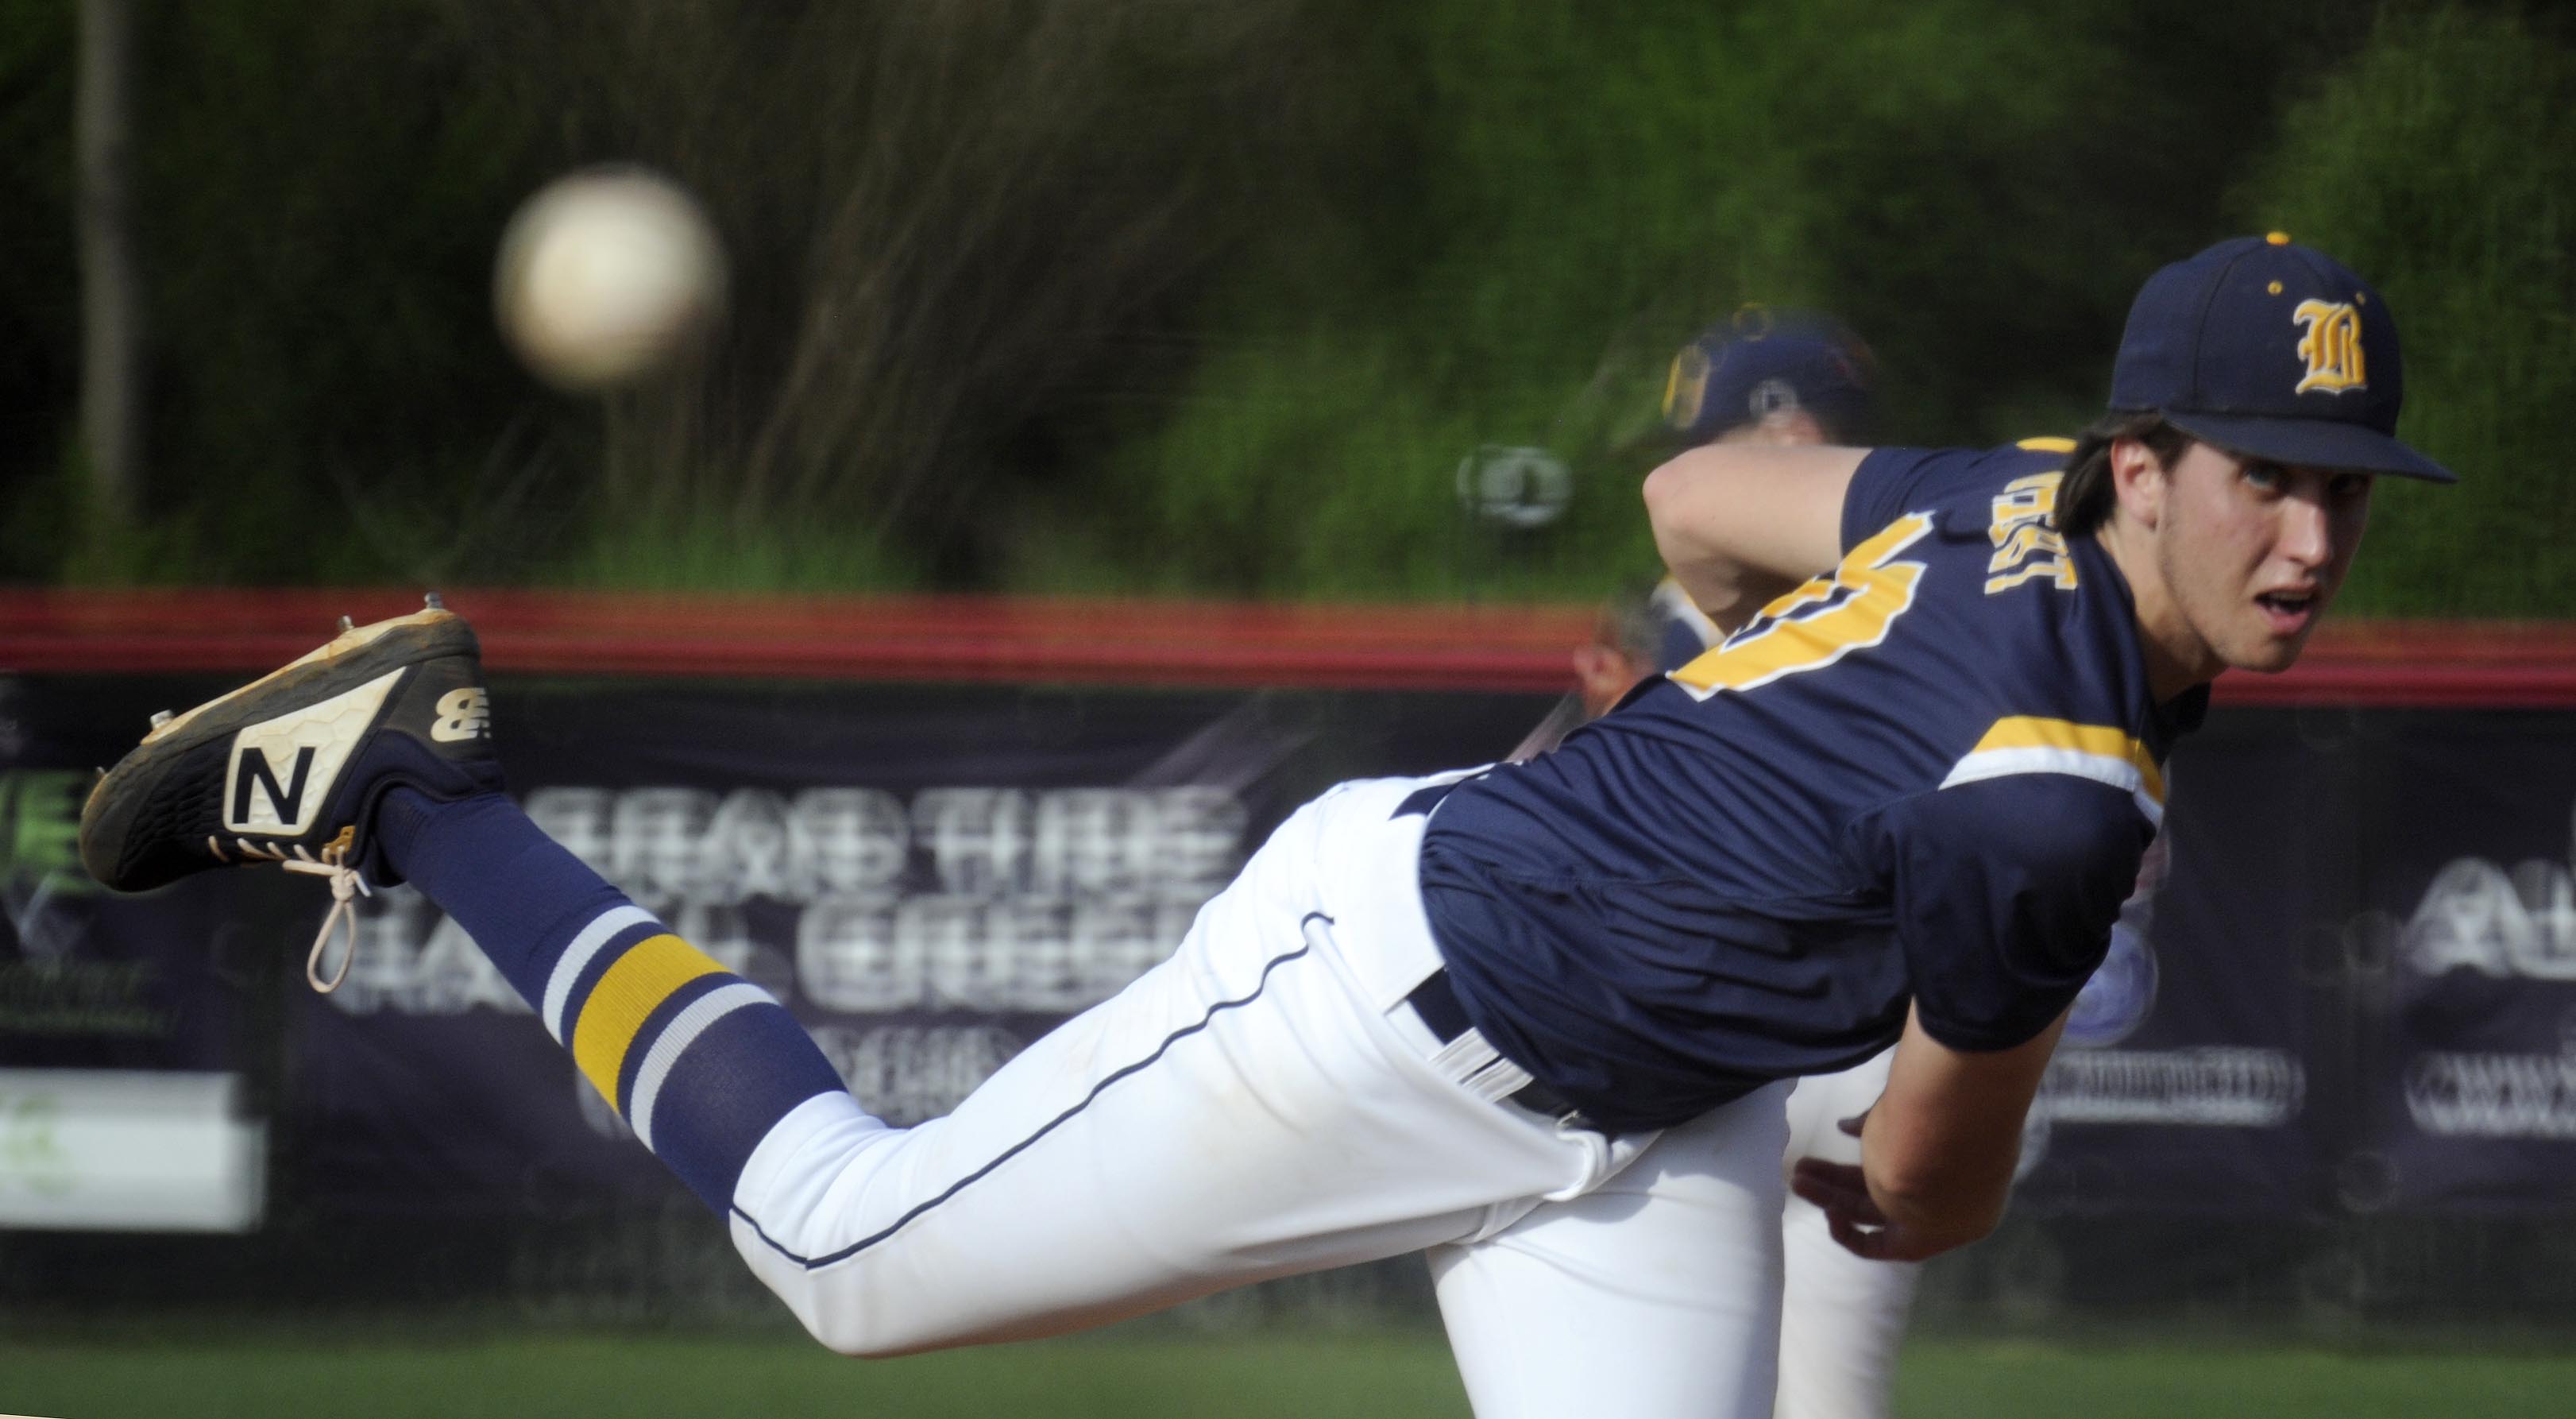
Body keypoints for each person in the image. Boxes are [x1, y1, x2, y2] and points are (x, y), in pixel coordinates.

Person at [79, 234, 2452, 1418]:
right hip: (1391, 1000)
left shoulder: (1990, 505)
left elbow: (1695, 487)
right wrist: (1908, 1089)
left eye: (2340, 495)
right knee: (845, 1253)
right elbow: (1921, 1192)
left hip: (1651, 1109)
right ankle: (411, 777)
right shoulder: (2056, 788)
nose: (2310, 545)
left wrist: (1718, 672)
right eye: (2264, 483)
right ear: (2141, 467)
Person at [1531, 307, 1928, 1419]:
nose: (1681, 479)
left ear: (1784, 439)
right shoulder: (1945, 593)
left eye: (1699, 447)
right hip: (1871, 1048)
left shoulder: (1666, 626)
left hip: (1712, 1041)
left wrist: (1616, 733)